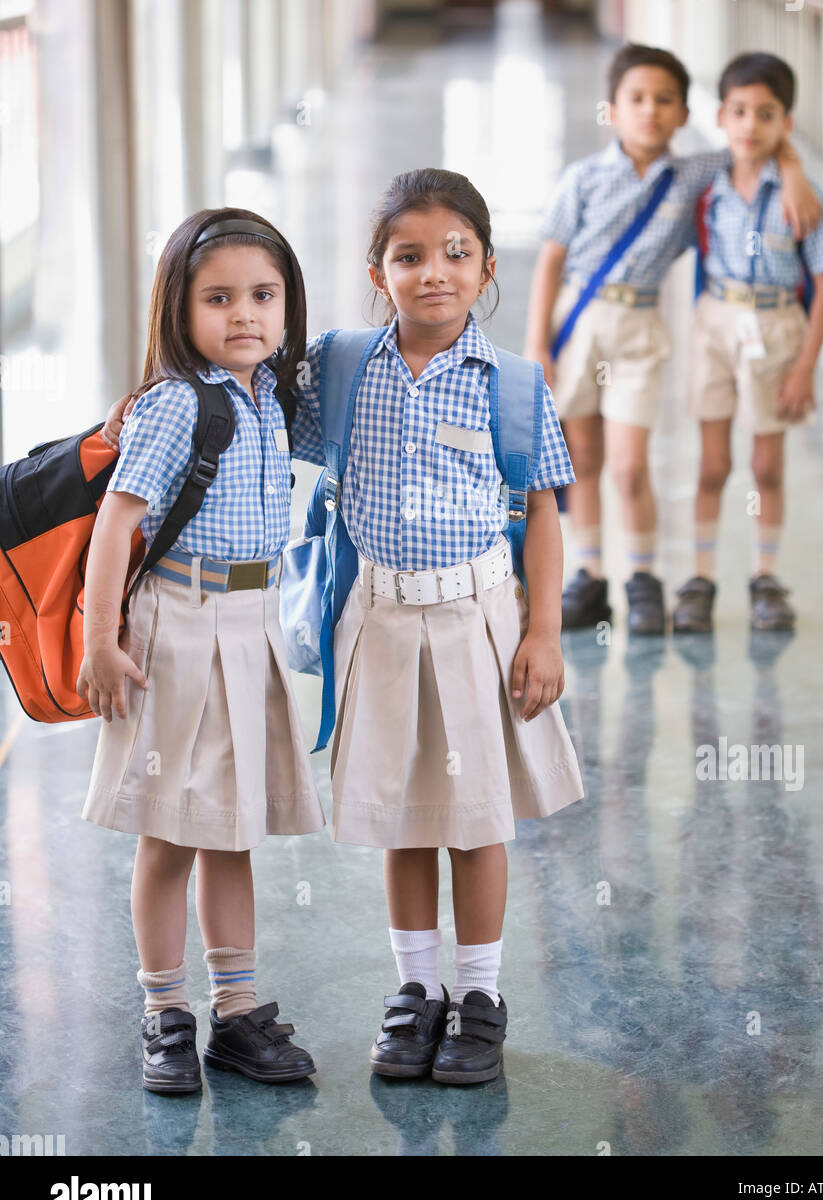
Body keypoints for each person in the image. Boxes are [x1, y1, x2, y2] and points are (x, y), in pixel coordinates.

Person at [107, 172, 584, 1086]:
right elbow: (245, 415)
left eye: (457, 253)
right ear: (377, 271)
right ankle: (416, 994)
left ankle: (478, 997)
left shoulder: (514, 387)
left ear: (487, 267)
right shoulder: (337, 367)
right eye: (409, 256)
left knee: (479, 815)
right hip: (380, 616)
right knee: (406, 811)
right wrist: (155, 410)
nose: (434, 273)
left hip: (479, 613)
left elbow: (544, 509)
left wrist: (545, 631)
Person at [81, 208, 325, 1095]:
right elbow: (120, 522)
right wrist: (98, 636)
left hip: (251, 620)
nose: (245, 316)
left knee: (232, 828)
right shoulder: (175, 402)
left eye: (264, 296)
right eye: (218, 299)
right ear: (178, 310)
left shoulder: (274, 396)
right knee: (167, 831)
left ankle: (237, 1013)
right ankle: (164, 1014)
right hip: (175, 623)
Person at [524, 43, 822, 635]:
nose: (650, 112)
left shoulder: (695, 176)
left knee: (630, 467)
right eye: (636, 99)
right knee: (582, 459)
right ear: (613, 109)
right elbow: (550, 261)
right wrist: (538, 344)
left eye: (665, 100)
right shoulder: (582, 178)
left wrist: (791, 168)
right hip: (576, 324)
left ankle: (643, 579)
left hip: (639, 331)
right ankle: (590, 574)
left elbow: (753, 139)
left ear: (686, 113)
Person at [672, 52, 823, 634]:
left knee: (767, 464)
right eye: (739, 111)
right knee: (713, 464)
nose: (750, 125)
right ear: (721, 115)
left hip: (775, 330)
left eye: (766, 114)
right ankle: (700, 579)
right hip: (716, 321)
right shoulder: (707, 180)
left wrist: (805, 370)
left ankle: (765, 578)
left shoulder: (803, 195)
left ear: (785, 124)